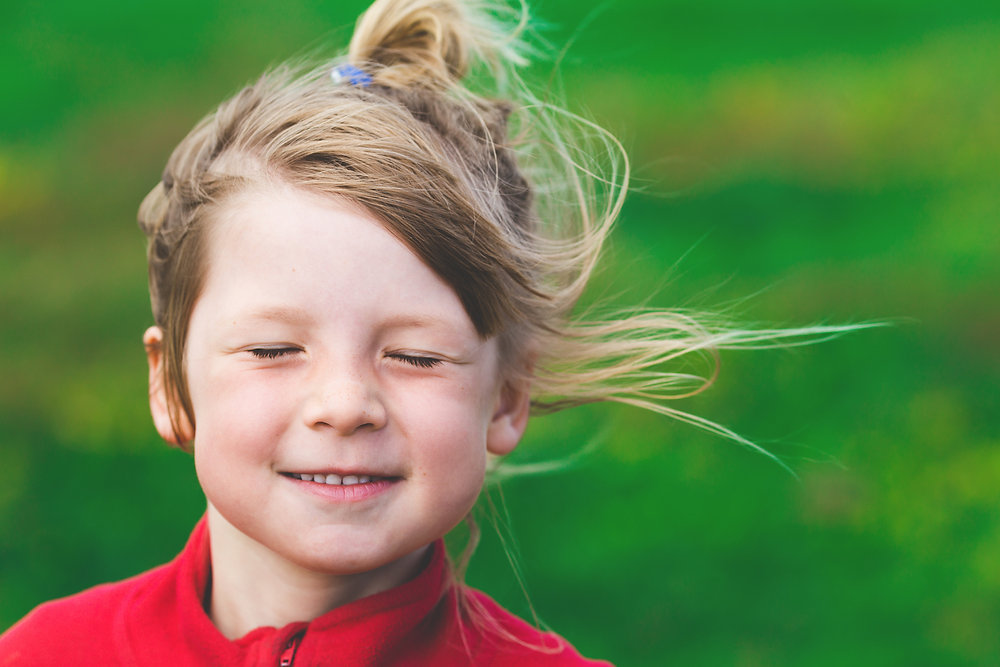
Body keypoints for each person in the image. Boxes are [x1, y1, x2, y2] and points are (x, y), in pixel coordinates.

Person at [0, 0, 855, 663]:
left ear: (506, 396)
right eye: (272, 349)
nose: (345, 403)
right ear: (170, 384)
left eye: (414, 355)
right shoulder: (42, 654)